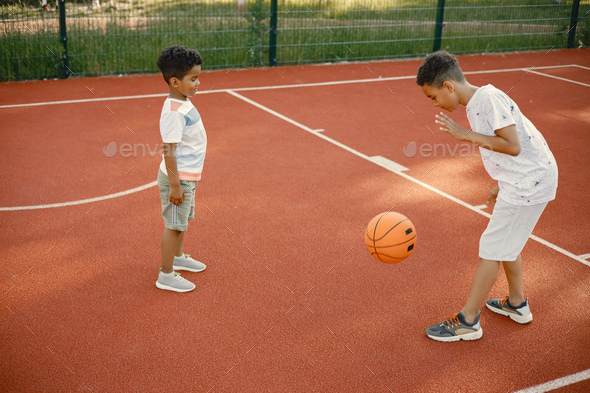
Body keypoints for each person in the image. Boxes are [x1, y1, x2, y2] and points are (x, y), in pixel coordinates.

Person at [416, 51, 558, 341]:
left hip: (528, 183)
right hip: (521, 179)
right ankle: (517, 304)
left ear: (448, 87)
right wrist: (500, 182)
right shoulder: (477, 102)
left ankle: (468, 321)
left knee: (491, 246)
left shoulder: (487, 99)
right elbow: (512, 146)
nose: (435, 104)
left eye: (433, 97)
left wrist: (465, 135)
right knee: (507, 242)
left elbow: (513, 145)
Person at [155, 45, 208, 292]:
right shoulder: (173, 112)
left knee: (182, 222)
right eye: (193, 79)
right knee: (174, 225)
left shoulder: (183, 101)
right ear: (175, 82)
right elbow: (169, 150)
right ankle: (166, 275)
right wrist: (175, 185)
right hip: (179, 180)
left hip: (188, 177)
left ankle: (177, 258)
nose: (198, 83)